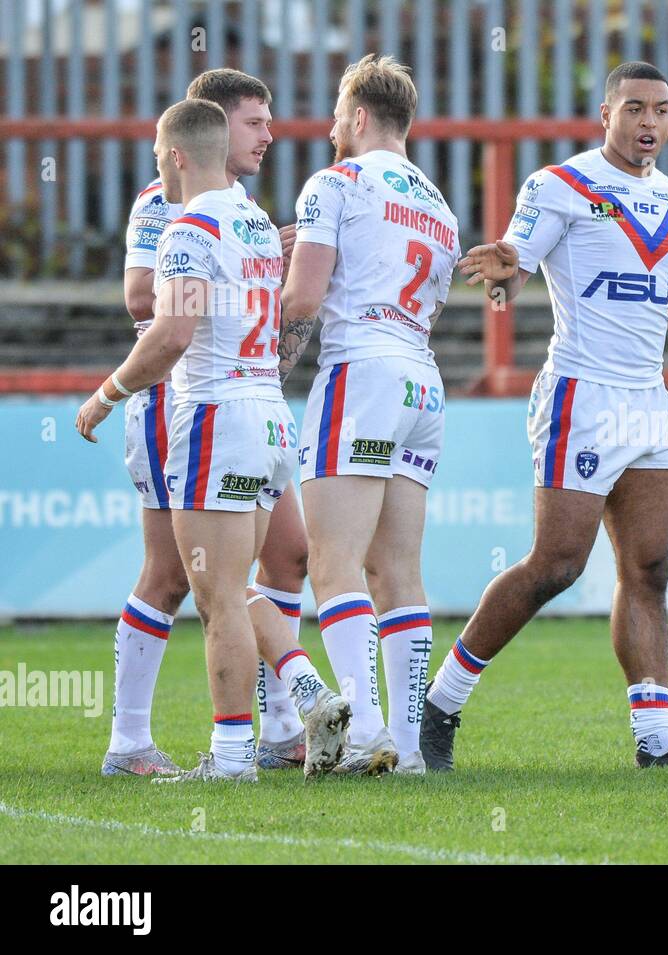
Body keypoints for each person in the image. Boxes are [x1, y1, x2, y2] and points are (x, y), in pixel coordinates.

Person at [420, 61, 668, 771]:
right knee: (557, 564)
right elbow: (515, 262)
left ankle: (658, 739)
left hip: (649, 402)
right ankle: (440, 703)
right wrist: (503, 272)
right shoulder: (560, 185)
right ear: (605, 114)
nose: (649, 123)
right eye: (634, 108)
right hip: (582, 394)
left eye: (661, 109)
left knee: (650, 568)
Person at [76, 99, 350, 782]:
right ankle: (295, 701)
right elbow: (163, 302)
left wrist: (106, 393)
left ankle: (233, 755)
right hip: (259, 410)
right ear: (217, 133)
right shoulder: (244, 221)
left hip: (212, 410)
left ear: (175, 153)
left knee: (219, 592)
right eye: (255, 122)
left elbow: (172, 333)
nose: (266, 134)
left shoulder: (195, 226)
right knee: (211, 580)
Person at [279, 55, 458, 776]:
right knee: (396, 571)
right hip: (422, 380)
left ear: (357, 116)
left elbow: (303, 299)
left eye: (335, 118)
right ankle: (407, 748)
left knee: (333, 561)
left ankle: (365, 728)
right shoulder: (441, 208)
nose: (331, 131)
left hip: (361, 371)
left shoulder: (335, 183)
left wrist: (265, 372)